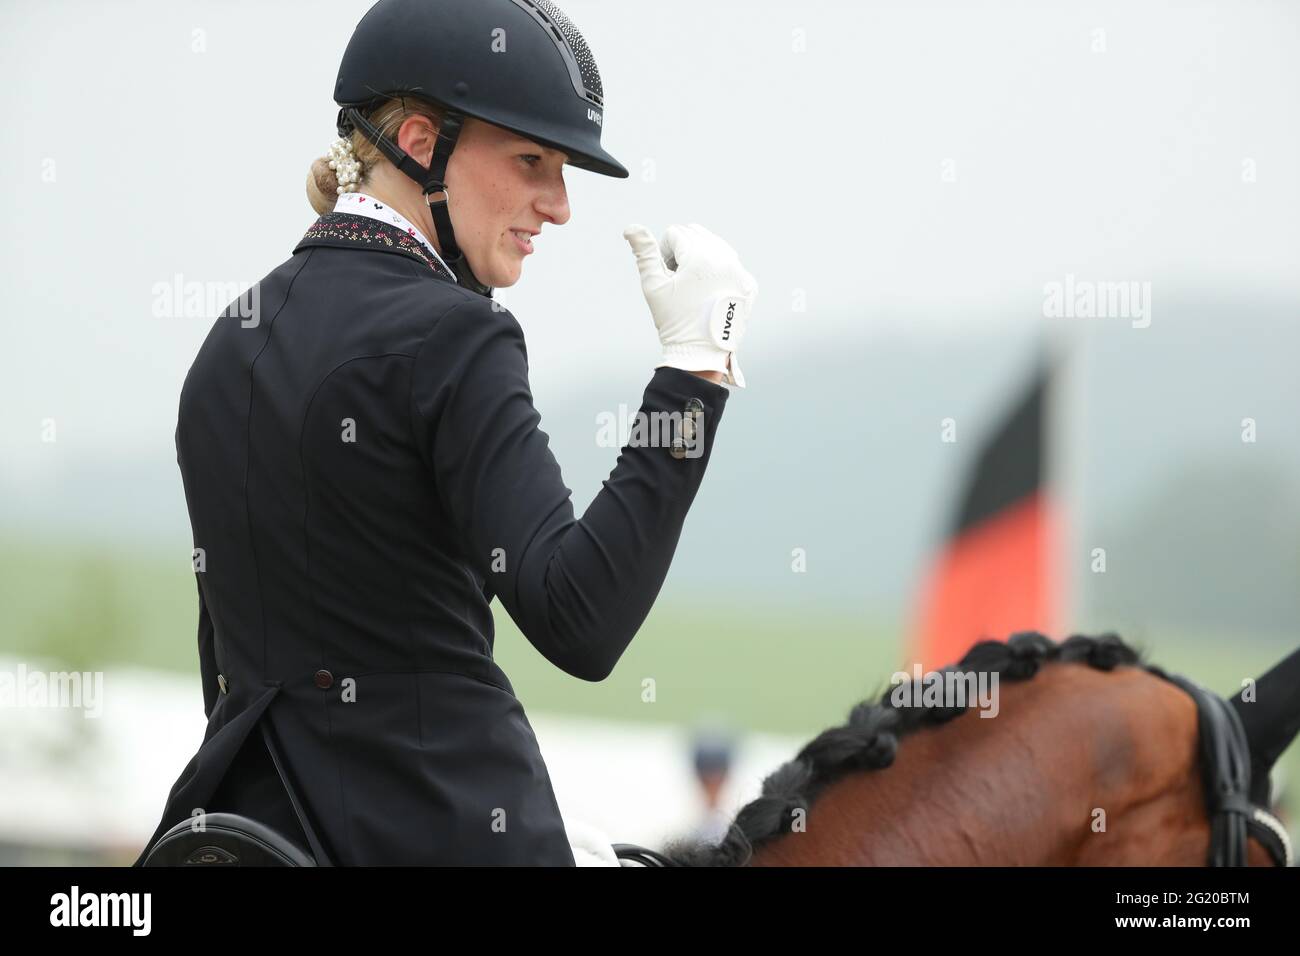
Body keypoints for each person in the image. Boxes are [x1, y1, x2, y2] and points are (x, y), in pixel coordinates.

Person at [134, 0, 757, 865]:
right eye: (532, 160)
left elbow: (228, 648)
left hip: (236, 814)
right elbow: (581, 619)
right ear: (423, 145)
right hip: (443, 823)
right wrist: (694, 373)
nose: (560, 205)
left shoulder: (229, 338)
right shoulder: (456, 334)